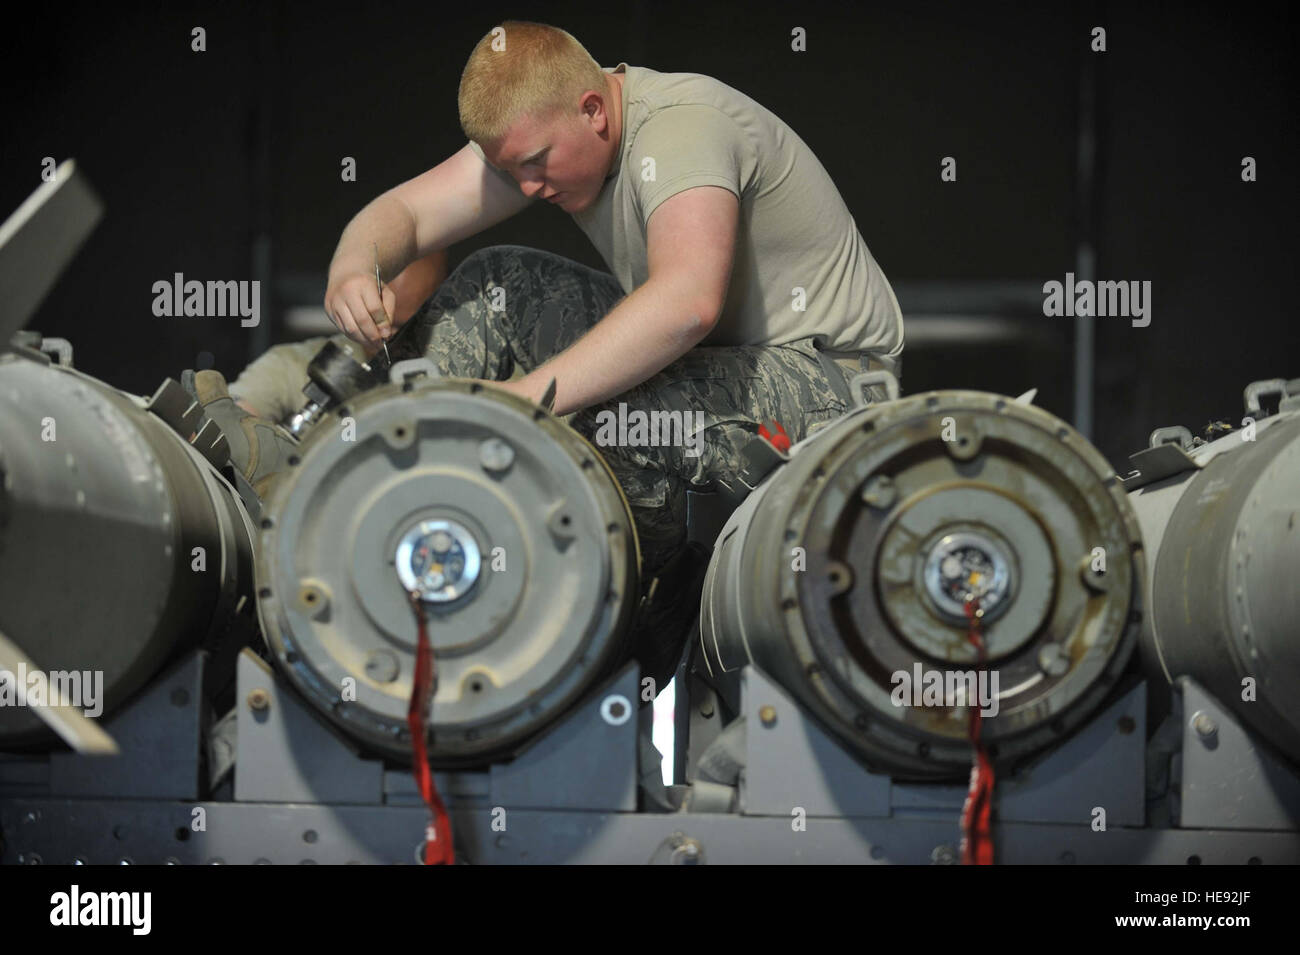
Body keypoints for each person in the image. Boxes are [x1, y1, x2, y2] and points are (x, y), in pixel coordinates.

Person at [222, 19, 905, 683]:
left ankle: (598, 620)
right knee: (500, 282)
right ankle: (369, 488)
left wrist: (526, 402)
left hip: (827, 387)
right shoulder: (540, 133)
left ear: (593, 110)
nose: (527, 189)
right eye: (509, 170)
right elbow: (408, 215)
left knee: (607, 413)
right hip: (717, 364)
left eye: (535, 164)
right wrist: (353, 266)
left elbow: (687, 303)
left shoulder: (682, 126)